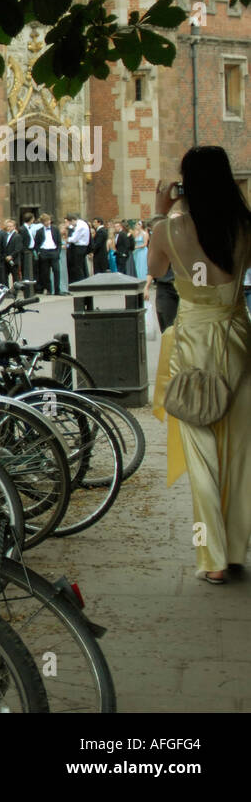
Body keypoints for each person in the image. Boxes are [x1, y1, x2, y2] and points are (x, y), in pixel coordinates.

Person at [150, 146, 251, 585]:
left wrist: (159, 213)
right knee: (240, 457)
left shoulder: (171, 230)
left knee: (202, 456)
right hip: (238, 340)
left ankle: (212, 559)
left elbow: (155, 270)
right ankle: (235, 552)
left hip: (193, 345)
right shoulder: (243, 226)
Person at [33, 213, 61, 296]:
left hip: (54, 252)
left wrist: (58, 252)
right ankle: (49, 289)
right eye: (45, 221)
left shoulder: (55, 229)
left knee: (57, 271)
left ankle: (57, 290)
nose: (48, 222)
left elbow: (59, 242)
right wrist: (39, 252)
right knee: (45, 273)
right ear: (42, 222)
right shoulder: (39, 231)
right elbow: (36, 244)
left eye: (48, 220)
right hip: (44, 252)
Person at [66, 212, 90, 284]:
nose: (71, 225)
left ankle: (81, 283)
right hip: (82, 247)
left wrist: (67, 240)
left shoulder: (80, 226)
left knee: (78, 267)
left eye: (70, 223)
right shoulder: (82, 223)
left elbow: (74, 239)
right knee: (80, 266)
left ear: (73, 220)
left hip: (79, 247)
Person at [2, 219, 23, 289]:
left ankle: (15, 291)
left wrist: (11, 256)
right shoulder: (5, 235)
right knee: (5, 276)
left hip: (14, 259)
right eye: (8, 226)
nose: (9, 228)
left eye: (11, 226)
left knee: (15, 276)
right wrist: (5, 256)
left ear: (14, 227)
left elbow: (18, 248)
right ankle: (6, 290)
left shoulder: (17, 236)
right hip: (6, 259)